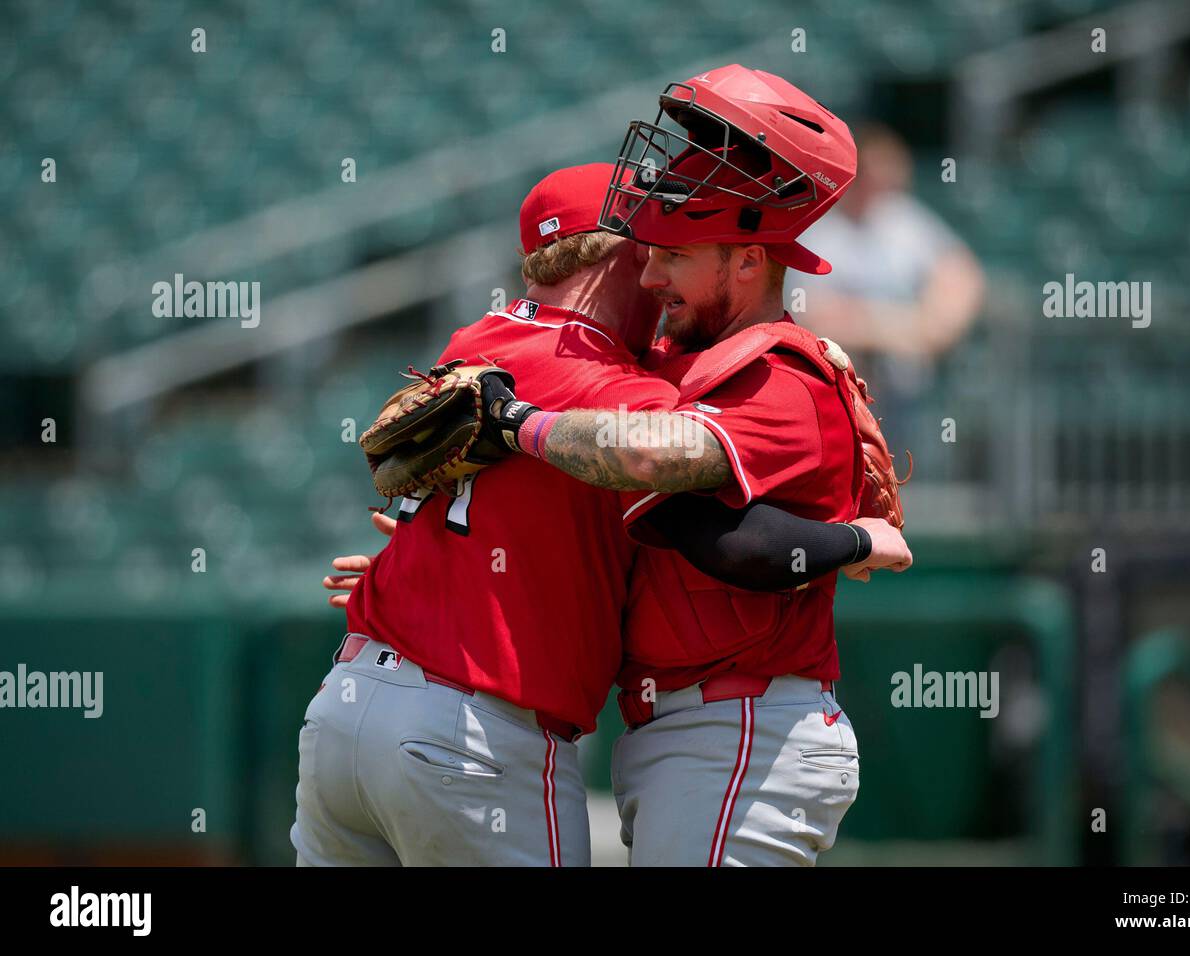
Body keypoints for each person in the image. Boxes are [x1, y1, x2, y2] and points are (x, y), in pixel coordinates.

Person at [296, 162, 911, 867]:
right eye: (656, 247)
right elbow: (720, 529)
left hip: (343, 713)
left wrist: (420, 566)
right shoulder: (622, 391)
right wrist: (855, 541)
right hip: (471, 738)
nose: (657, 275)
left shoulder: (466, 349)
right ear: (623, 251)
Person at [475, 65, 913, 865]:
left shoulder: (779, 377)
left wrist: (517, 424)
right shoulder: (676, 363)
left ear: (747, 261)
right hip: (684, 735)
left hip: (743, 733)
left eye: (672, 254)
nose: (647, 276)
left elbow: (737, 549)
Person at [798, 124, 984, 433]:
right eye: (872, 169)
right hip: (841, 390)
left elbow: (961, 279)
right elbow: (816, 317)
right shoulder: (821, 230)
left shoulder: (904, 222)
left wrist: (933, 327)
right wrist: (903, 328)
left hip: (910, 393)